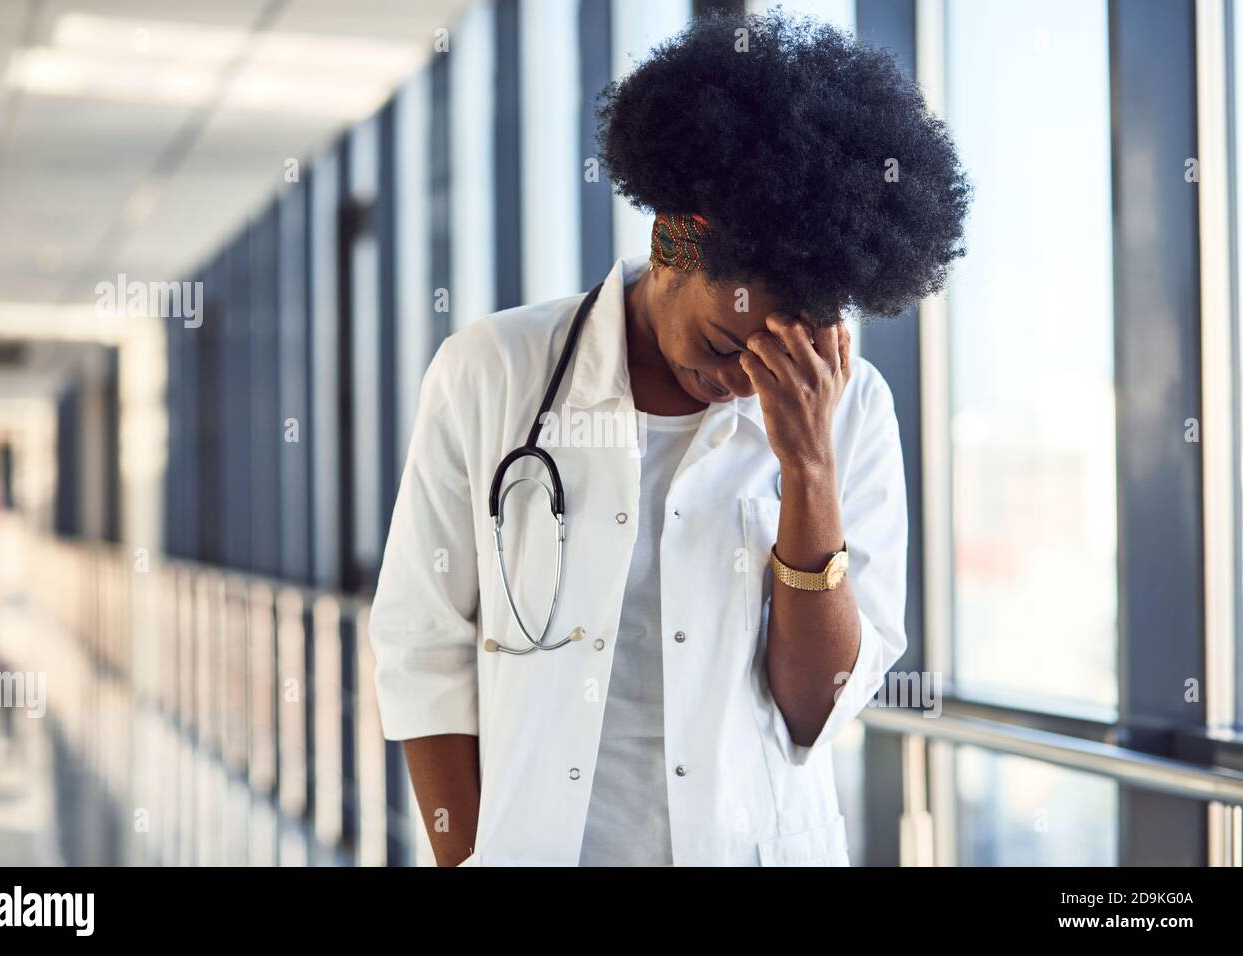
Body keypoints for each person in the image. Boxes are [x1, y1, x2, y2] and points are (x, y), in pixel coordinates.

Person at [369, 9, 969, 866]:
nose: (739, 385)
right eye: (728, 345)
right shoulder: (490, 371)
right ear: (671, 244)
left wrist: (809, 466)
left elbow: (817, 707)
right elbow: (423, 647)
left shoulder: (852, 408)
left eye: (772, 359)